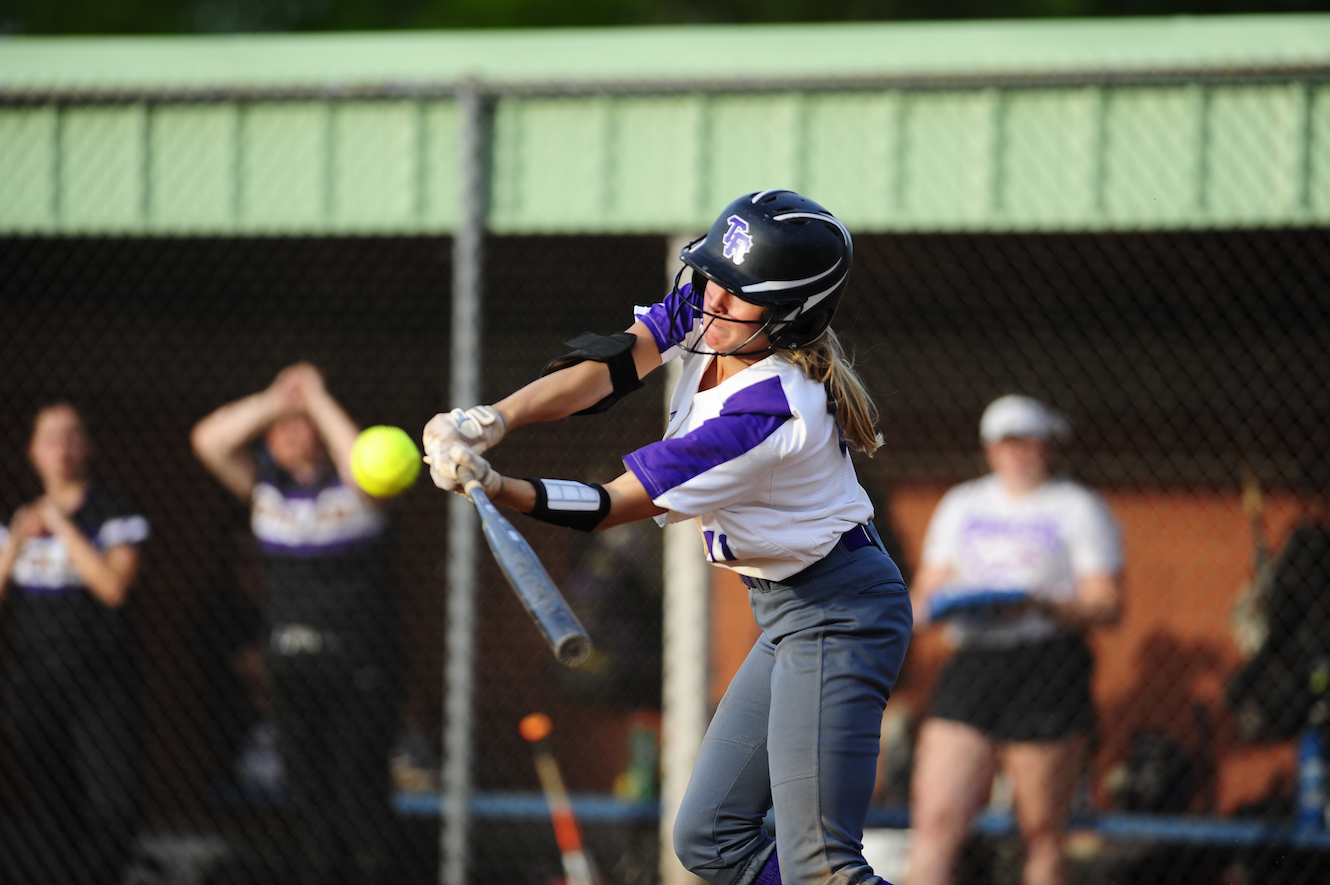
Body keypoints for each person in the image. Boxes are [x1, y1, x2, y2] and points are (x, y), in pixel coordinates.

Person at [424, 189, 913, 885]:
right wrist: (488, 421)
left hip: (842, 614)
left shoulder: (769, 415)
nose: (711, 298)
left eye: (737, 293)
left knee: (823, 867)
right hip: (788, 614)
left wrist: (499, 486)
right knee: (711, 838)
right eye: (712, 279)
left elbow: (609, 504)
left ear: (791, 315)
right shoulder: (715, 315)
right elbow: (609, 368)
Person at [192, 362, 402, 885]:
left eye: (299, 422)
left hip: (361, 667)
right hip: (291, 669)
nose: (288, 431)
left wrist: (318, 399)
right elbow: (209, 441)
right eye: (278, 426)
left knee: (359, 793)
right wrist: (275, 398)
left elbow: (360, 466)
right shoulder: (266, 491)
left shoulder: (356, 488)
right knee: (310, 799)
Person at [905, 394, 1123, 885]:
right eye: (1008, 443)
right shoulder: (962, 504)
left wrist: (1041, 603)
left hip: (1046, 663)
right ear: (990, 448)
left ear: (1048, 446)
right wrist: (932, 609)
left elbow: (1107, 603)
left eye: (1031, 442)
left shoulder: (1076, 507)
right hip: (974, 661)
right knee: (936, 818)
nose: (1020, 453)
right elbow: (927, 591)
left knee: (1041, 828)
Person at [0, 402, 149, 885]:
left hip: (99, 682)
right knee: (55, 813)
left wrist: (62, 525)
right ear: (32, 452)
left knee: (114, 806)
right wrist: (19, 540)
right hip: (33, 684)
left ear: (88, 447)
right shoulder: (14, 521)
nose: (61, 449)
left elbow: (112, 587)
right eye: (49, 438)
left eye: (71, 437)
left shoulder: (114, 511)